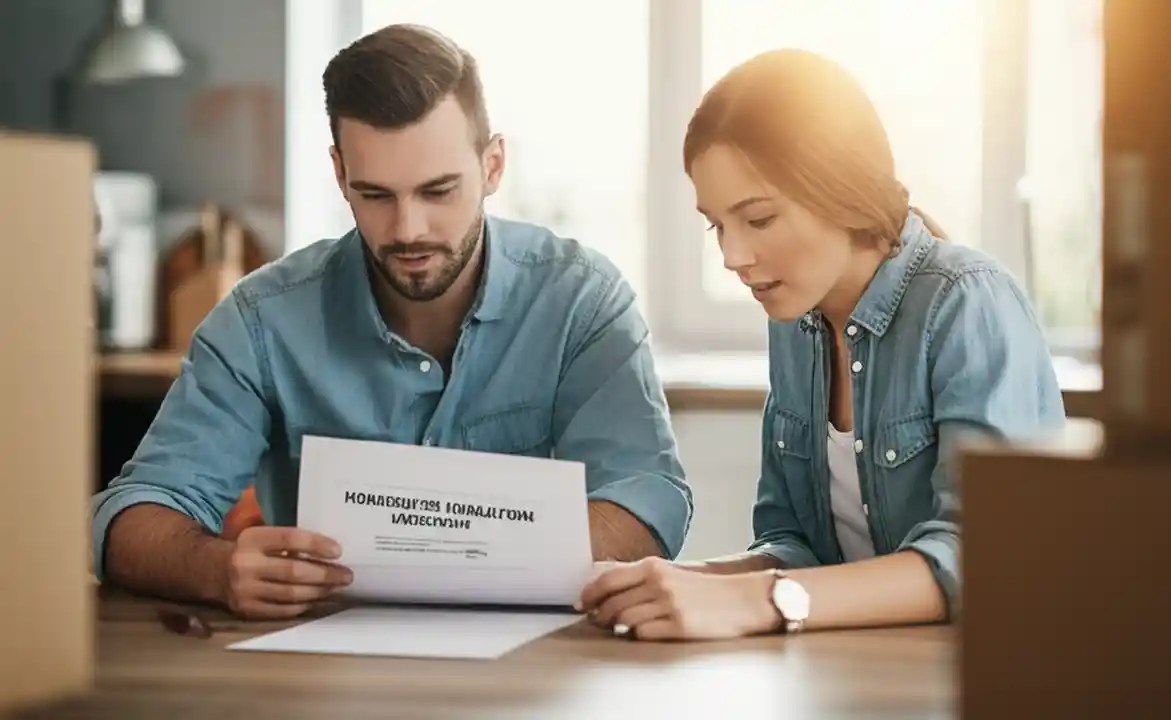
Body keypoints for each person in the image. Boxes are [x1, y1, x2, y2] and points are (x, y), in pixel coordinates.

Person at [91, 24, 692, 620]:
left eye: (438, 191)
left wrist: (452, 554)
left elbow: (649, 501)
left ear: (493, 165)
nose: (408, 230)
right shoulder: (261, 321)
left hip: (532, 675)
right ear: (339, 173)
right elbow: (130, 516)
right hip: (320, 679)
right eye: (376, 194)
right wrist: (215, 570)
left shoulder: (580, 300)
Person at [579, 49, 1065, 640]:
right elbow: (796, 543)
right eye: (717, 225)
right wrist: (687, 582)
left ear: (843, 189)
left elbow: (983, 558)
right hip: (856, 674)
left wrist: (753, 601)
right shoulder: (796, 320)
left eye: (757, 220)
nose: (733, 257)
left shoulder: (969, 302)